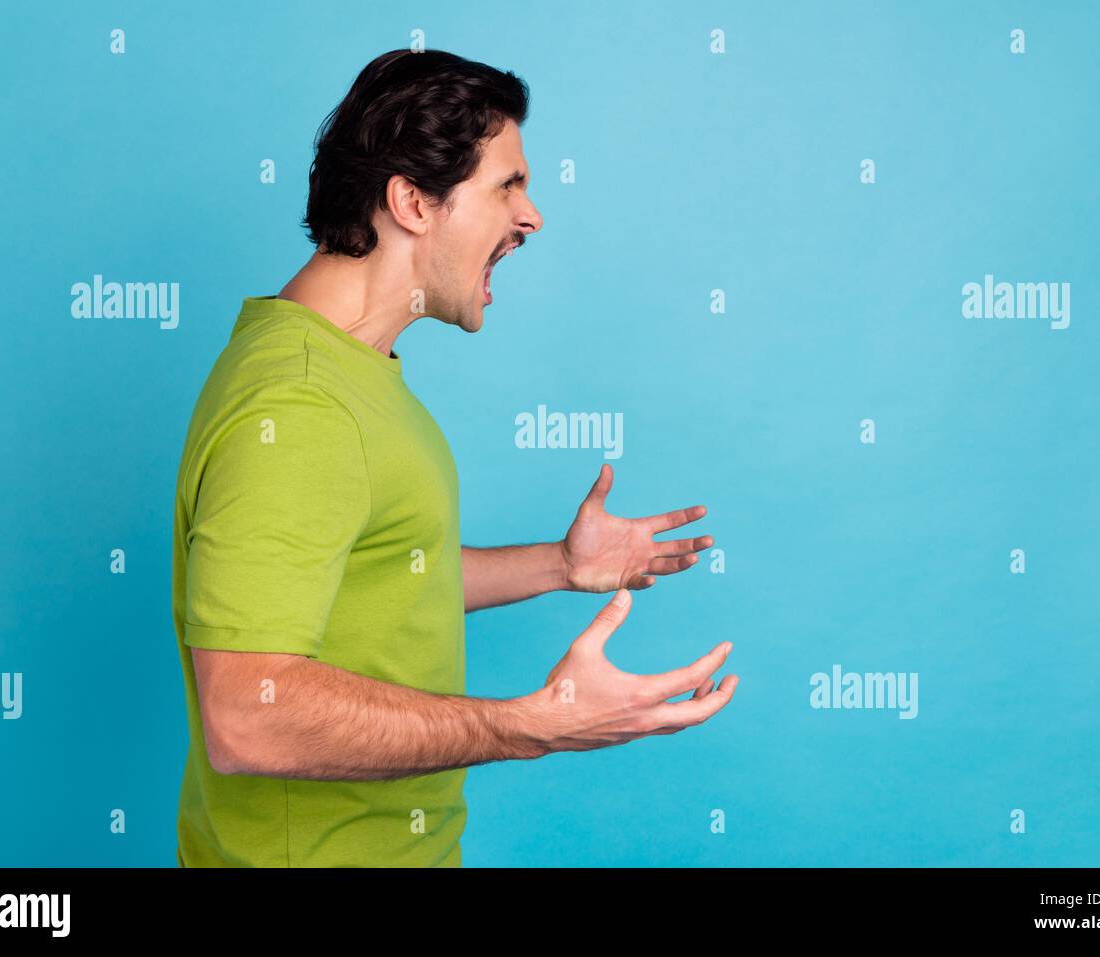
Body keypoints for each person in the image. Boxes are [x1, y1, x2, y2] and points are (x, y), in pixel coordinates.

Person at [171, 48, 738, 867]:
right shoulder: (299, 406)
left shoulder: (345, 370)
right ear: (411, 201)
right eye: (507, 184)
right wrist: (529, 724)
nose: (532, 215)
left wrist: (558, 565)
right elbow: (246, 713)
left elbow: (378, 571)